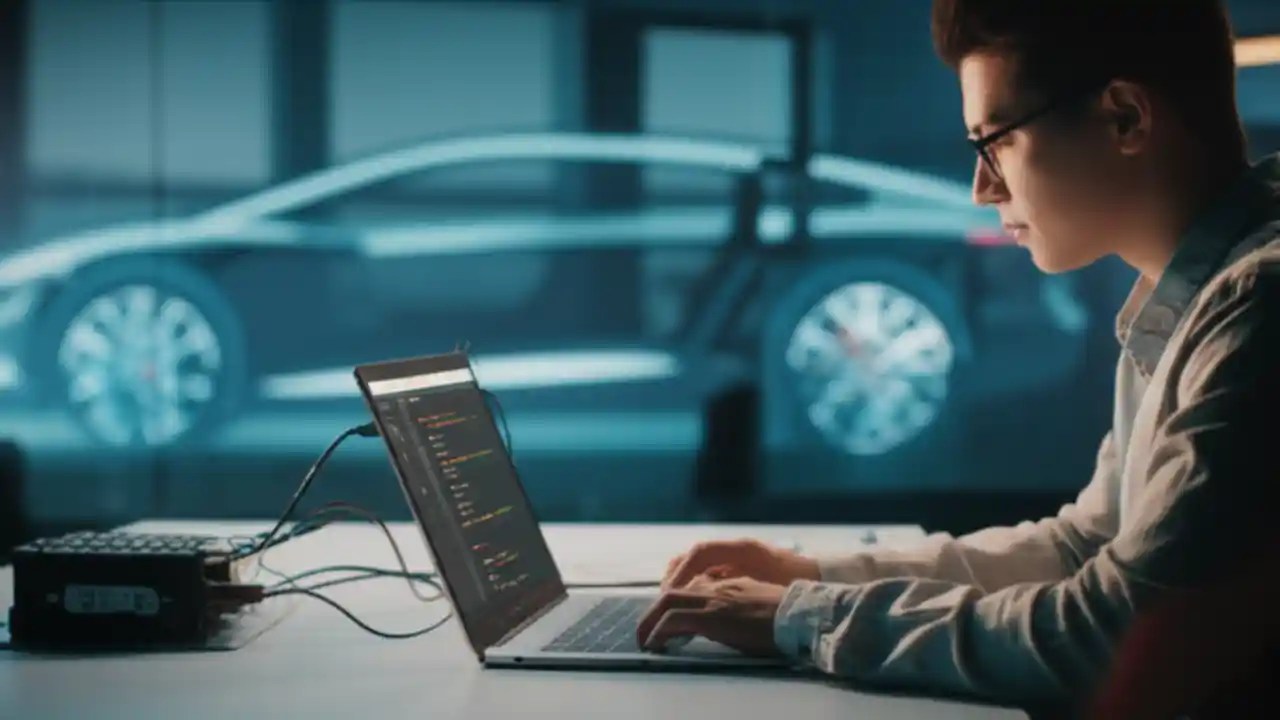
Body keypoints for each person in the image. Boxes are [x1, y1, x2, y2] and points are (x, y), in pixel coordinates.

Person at [636, 0, 1280, 713]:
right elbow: (1081, 551)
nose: (982, 189)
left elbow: (1114, 635)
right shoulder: (1183, 300)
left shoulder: (1259, 309)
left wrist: (803, 618)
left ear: (1125, 117)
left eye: (994, 142)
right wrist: (811, 576)